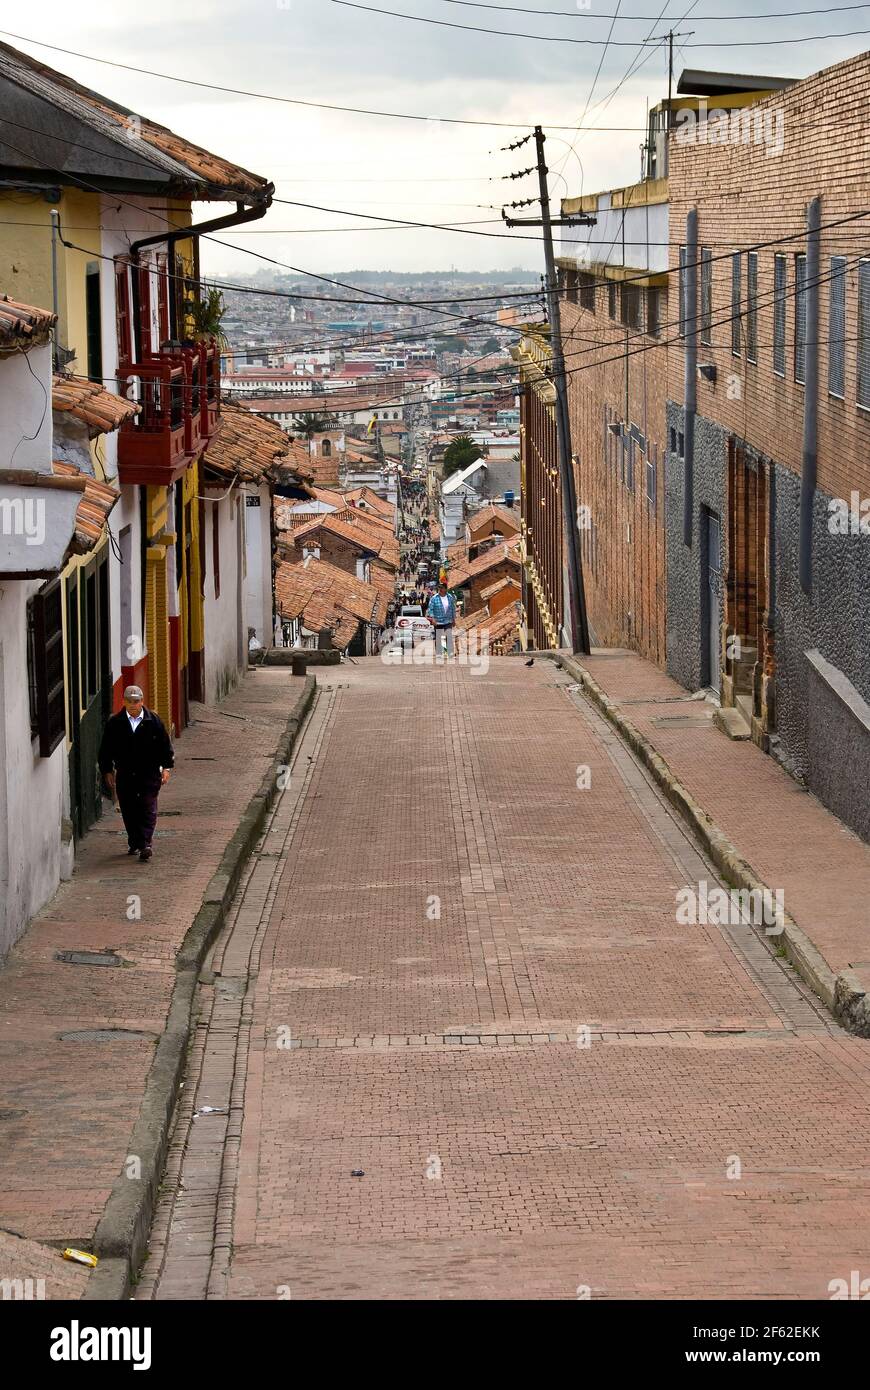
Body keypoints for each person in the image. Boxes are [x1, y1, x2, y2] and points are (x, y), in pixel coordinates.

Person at [98, 685, 174, 863]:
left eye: (136, 701)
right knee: (129, 807)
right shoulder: (115, 723)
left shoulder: (153, 721)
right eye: (130, 702)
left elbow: (165, 745)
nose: (133, 705)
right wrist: (107, 770)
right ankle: (135, 840)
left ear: (142, 702)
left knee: (148, 806)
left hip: (149, 772)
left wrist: (167, 768)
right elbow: (106, 750)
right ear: (124, 702)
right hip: (125, 772)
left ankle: (146, 843)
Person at [427, 581, 457, 659]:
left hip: (448, 620)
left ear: (446, 589)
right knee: (438, 637)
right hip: (438, 621)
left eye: (442, 588)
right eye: (439, 588)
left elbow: (453, 608)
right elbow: (430, 609)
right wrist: (433, 618)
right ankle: (439, 654)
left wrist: (454, 619)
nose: (440, 589)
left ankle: (450, 654)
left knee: (449, 636)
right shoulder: (434, 598)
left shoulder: (450, 597)